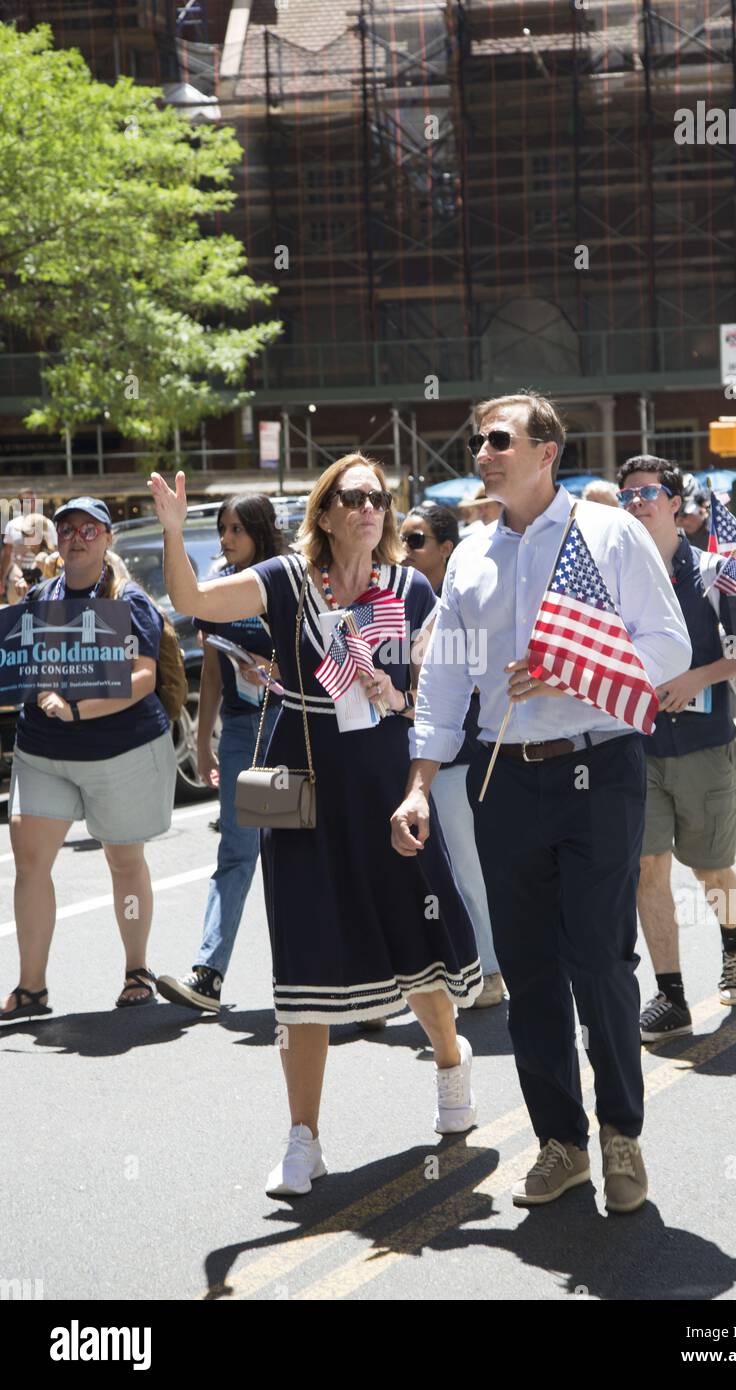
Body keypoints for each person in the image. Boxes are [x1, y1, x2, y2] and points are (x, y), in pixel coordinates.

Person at [149, 457, 482, 1198]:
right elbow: (192, 597)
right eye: (351, 497)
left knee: (415, 937)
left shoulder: (410, 587)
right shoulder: (282, 580)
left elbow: (439, 687)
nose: (368, 508)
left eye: (378, 498)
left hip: (389, 784)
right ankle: (304, 1139)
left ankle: (451, 1061)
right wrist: (174, 533)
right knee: (300, 958)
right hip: (306, 785)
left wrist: (399, 695)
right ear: (324, 513)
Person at [391, 393, 692, 1213]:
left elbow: (669, 644)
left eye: (498, 440)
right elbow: (445, 678)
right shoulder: (472, 556)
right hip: (502, 777)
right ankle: (561, 1142)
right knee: (527, 968)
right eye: (478, 442)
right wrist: (419, 784)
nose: (482, 453)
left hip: (600, 765)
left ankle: (621, 1132)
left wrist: (571, 666)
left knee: (597, 961)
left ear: (546, 451)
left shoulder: (610, 533)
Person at [0, 497, 176, 1026]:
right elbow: (21, 667)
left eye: (90, 529)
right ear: (56, 539)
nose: (78, 537)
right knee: (29, 864)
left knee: (124, 863)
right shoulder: (38, 599)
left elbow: (142, 677)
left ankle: (136, 970)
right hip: (43, 752)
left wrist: (78, 708)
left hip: (118, 751)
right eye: (67, 528)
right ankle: (31, 988)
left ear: (107, 538)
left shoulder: (130, 601)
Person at [615, 457, 736, 1043]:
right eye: (627, 497)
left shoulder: (718, 572)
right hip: (638, 746)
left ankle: (735, 946)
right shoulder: (613, 576)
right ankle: (670, 994)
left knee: (710, 868)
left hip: (704, 745)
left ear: (675, 502)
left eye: (649, 493)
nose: (638, 504)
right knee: (648, 867)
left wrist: (699, 677)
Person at [157, 495, 283, 1012]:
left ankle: (327, 975)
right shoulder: (216, 586)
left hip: (285, 728)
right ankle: (208, 973)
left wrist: (271, 670)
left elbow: (322, 664)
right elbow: (210, 672)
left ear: (260, 532)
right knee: (236, 852)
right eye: (222, 528)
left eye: (236, 529)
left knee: (292, 853)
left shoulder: (285, 581)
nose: (227, 539)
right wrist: (203, 740)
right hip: (238, 732)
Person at [399, 503, 505, 1008]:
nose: (405, 552)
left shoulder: (466, 602)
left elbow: (483, 683)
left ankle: (492, 969)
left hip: (460, 754)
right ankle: (450, 965)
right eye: (402, 541)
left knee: (467, 865)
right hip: (411, 754)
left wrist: (427, 670)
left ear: (447, 548)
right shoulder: (402, 601)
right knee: (431, 871)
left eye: (416, 540)